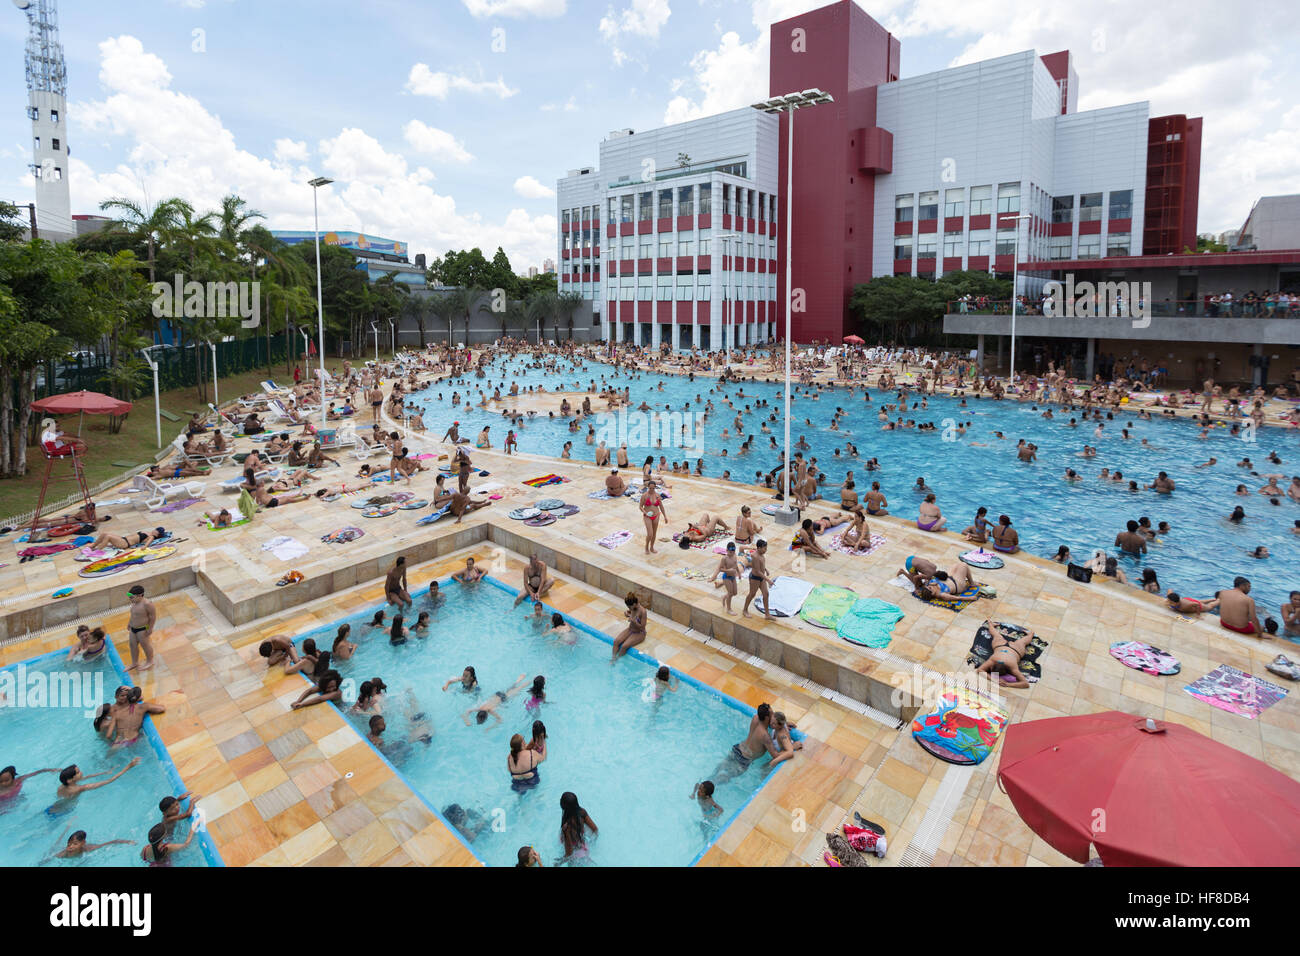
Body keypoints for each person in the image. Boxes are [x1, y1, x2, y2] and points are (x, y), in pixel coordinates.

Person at [711, 704, 778, 783]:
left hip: (737, 749)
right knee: (726, 777)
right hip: (744, 760)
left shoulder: (755, 718)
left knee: (719, 770)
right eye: (772, 714)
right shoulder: (765, 736)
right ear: (767, 718)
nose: (774, 716)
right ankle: (711, 786)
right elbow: (775, 755)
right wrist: (793, 747)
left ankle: (708, 781)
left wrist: (782, 724)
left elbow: (768, 723)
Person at [973, 620, 1034, 688]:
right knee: (997, 636)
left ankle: (990, 624)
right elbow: (1025, 683)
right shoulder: (994, 661)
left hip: (1013, 649)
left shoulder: (1011, 666)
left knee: (998, 636)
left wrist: (1002, 683)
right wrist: (1007, 684)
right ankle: (1031, 634)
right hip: (1005, 647)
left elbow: (979, 670)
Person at [462, 674, 529, 726]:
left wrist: (489, 728)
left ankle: (530, 680)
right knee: (512, 687)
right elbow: (468, 711)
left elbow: (500, 719)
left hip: (503, 698)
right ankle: (518, 680)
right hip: (497, 694)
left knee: (520, 688)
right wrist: (467, 721)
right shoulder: (480, 708)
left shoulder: (489, 711)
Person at [124, 585, 157, 672]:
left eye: (132, 597)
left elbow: (152, 617)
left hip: (142, 629)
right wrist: (129, 623)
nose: (130, 599)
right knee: (132, 645)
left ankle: (150, 661)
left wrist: (150, 628)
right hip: (133, 628)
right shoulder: (135, 603)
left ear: (140, 595)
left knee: (145, 645)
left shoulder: (147, 604)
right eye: (130, 597)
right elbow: (134, 615)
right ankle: (134, 663)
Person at [559, 791, 598, 862]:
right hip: (584, 846)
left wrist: (559, 862)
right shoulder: (582, 813)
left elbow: (569, 853)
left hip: (576, 855)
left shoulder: (566, 827)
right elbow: (595, 829)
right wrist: (592, 843)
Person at [46, 828, 133, 860]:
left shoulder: (89, 848)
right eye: (69, 844)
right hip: (58, 849)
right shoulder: (64, 854)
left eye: (75, 844)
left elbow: (113, 842)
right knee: (55, 845)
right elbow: (48, 859)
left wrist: (128, 842)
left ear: (83, 843)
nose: (71, 847)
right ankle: (67, 827)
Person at [742, 540, 774, 619]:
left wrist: (766, 569)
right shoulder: (755, 556)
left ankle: (767, 614)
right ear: (759, 548)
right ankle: (745, 610)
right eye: (764, 549)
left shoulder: (761, 554)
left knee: (766, 594)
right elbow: (757, 571)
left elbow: (761, 565)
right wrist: (768, 579)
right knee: (752, 594)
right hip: (755, 578)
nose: (765, 550)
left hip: (761, 578)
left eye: (766, 548)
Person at [612, 592, 647, 659]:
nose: (628, 608)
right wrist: (626, 613)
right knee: (616, 642)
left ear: (634, 604)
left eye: (629, 606)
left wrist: (634, 621)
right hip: (630, 629)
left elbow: (642, 627)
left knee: (624, 646)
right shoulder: (632, 608)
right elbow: (630, 612)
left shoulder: (643, 611)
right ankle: (613, 658)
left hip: (639, 633)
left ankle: (617, 659)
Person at [711, 542, 741, 613]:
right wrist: (728, 570)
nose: (732, 553)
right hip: (726, 577)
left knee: (735, 593)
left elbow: (736, 565)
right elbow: (720, 569)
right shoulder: (724, 558)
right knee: (730, 593)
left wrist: (739, 573)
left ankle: (724, 597)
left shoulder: (734, 556)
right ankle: (729, 609)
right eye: (730, 552)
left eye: (733, 551)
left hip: (733, 577)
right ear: (727, 550)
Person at [640, 482, 667, 555]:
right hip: (647, 516)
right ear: (648, 487)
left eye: (653, 488)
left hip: (656, 515)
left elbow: (661, 506)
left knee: (654, 533)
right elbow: (640, 506)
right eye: (650, 488)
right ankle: (646, 547)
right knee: (650, 534)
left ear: (655, 487)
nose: (651, 490)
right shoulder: (644, 495)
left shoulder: (657, 495)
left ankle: (651, 547)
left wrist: (665, 516)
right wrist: (645, 512)